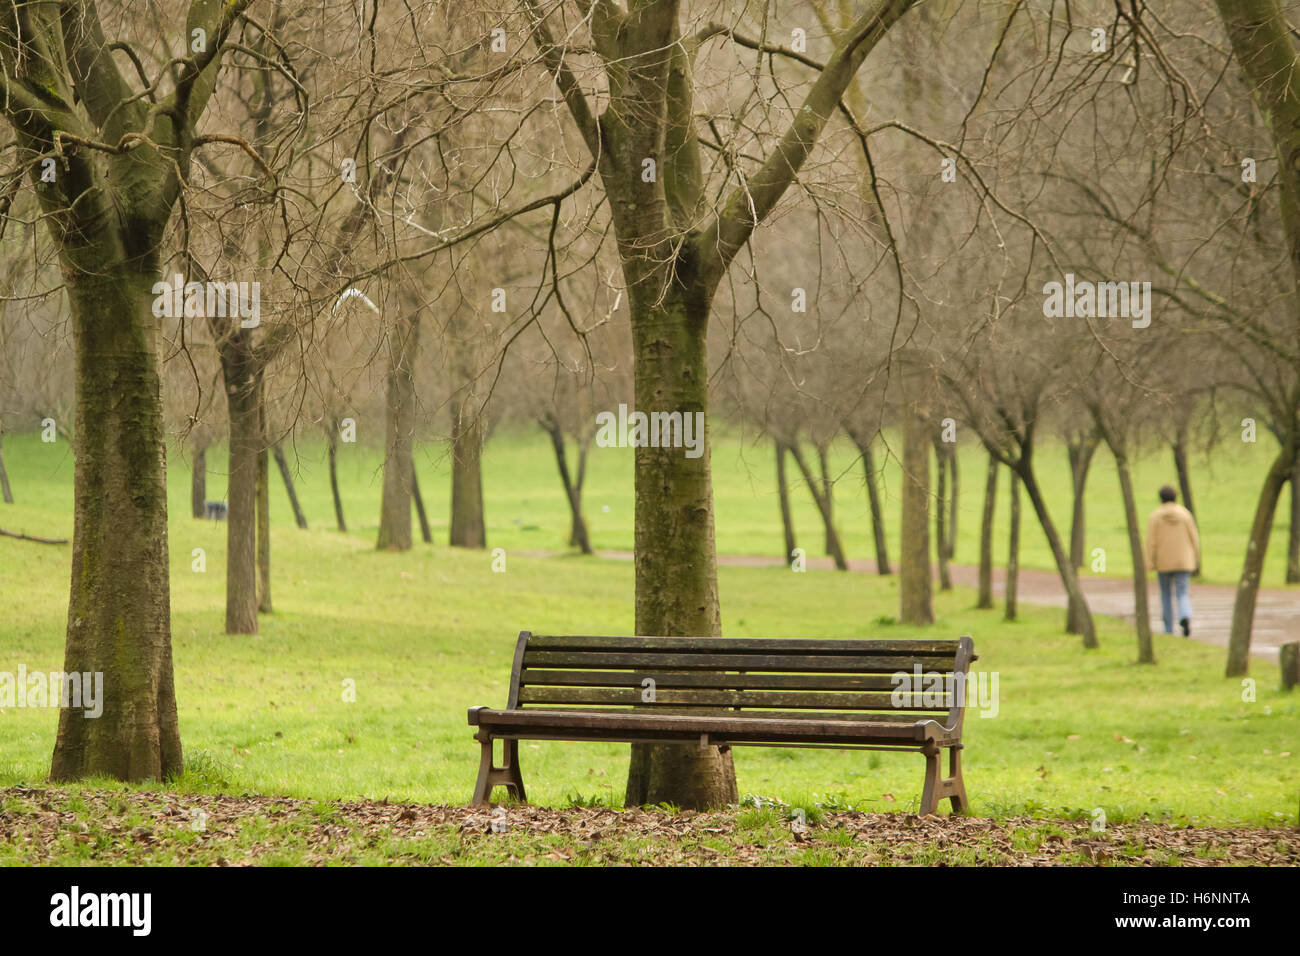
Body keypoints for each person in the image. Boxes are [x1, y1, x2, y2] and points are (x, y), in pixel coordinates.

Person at [1145, 485, 1200, 637]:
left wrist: (1149, 562)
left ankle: (1168, 629)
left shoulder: (1155, 516)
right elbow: (1194, 538)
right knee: (1182, 592)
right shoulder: (1185, 515)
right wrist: (1196, 558)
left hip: (1163, 562)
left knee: (1165, 594)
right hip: (1184, 560)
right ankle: (1185, 616)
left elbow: (1151, 541)